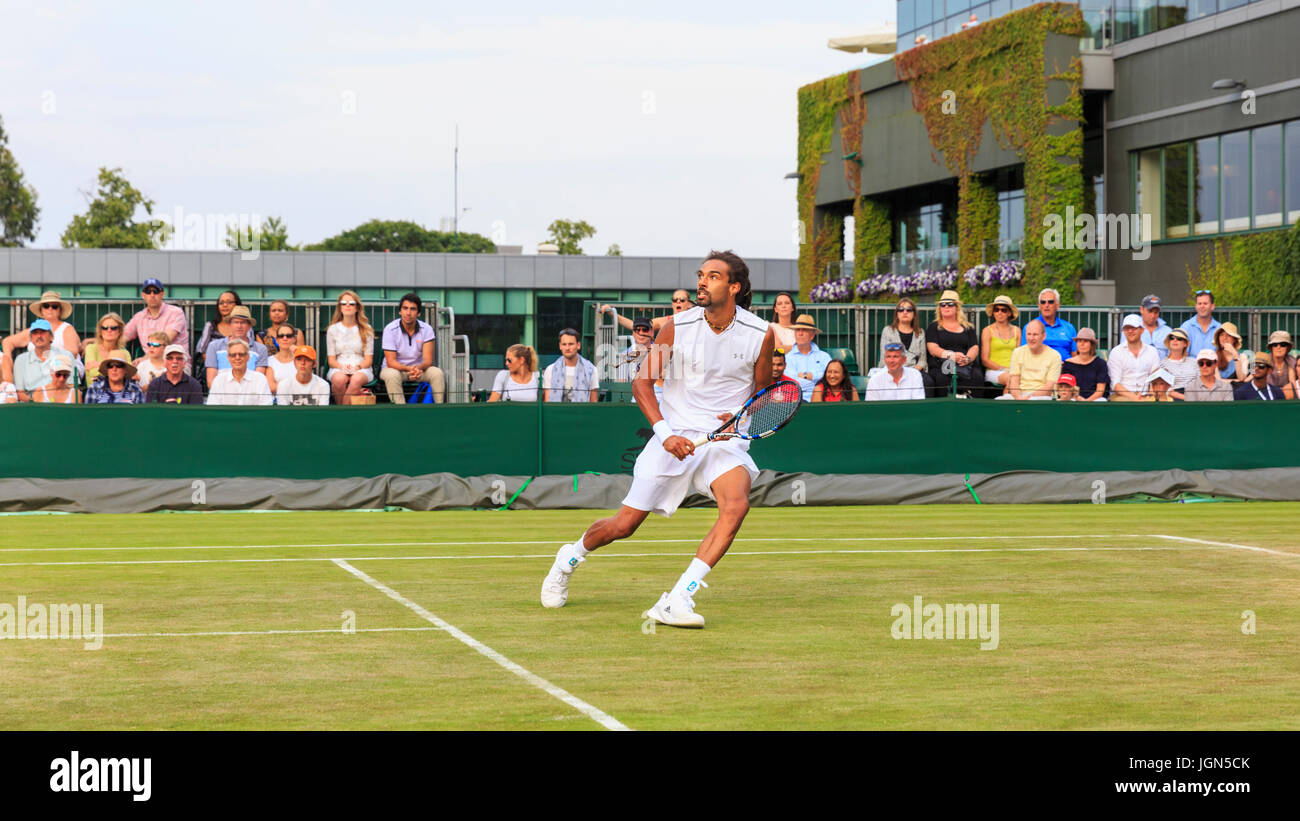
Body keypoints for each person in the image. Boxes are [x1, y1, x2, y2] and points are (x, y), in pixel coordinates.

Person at [540, 249, 775, 629]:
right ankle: (569, 556)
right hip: (674, 434)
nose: (702, 281)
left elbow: (761, 394)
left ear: (734, 287)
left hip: (723, 441)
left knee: (736, 505)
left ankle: (679, 597)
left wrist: (741, 418)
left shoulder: (761, 334)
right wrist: (665, 435)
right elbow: (642, 382)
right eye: (701, 274)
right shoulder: (676, 327)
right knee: (624, 525)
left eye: (713, 276)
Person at [380, 292, 445, 404]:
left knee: (437, 373)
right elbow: (391, 362)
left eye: (413, 309)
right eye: (405, 308)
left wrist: (417, 369)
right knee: (392, 375)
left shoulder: (427, 329)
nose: (408, 313)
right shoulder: (390, 329)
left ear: (419, 313)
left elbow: (428, 360)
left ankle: (439, 410)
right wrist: (409, 369)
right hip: (395, 369)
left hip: (419, 370)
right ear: (400, 311)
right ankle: (402, 412)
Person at [1, 291, 80, 375]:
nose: (50, 309)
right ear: (41, 310)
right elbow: (8, 341)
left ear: (60, 310)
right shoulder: (34, 330)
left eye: (54, 306)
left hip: (62, 369)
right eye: (46, 306)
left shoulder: (67, 328)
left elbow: (73, 352)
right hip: (37, 369)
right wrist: (8, 359)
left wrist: (47, 356)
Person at [924, 290, 981, 397]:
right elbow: (932, 348)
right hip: (941, 364)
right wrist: (951, 356)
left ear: (957, 308)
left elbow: (974, 347)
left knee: (977, 376)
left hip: (965, 364)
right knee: (941, 378)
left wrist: (967, 358)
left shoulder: (968, 327)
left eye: (950, 304)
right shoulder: (933, 327)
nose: (946, 307)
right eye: (942, 305)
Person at [325, 290, 376, 405]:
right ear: (340, 307)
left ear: (357, 307)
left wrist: (357, 367)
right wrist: (341, 367)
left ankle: (342, 413)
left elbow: (368, 360)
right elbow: (331, 360)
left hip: (361, 367)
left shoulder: (366, 329)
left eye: (351, 303)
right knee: (338, 380)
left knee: (356, 379)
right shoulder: (332, 330)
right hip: (339, 366)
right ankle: (344, 410)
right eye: (343, 303)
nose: (347, 306)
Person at [205, 306, 270, 386]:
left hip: (249, 396)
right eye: (236, 322)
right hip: (222, 395)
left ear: (249, 326)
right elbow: (211, 382)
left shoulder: (260, 349)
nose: (239, 326)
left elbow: (258, 382)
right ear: (230, 325)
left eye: (243, 322)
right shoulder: (214, 346)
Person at [123, 278, 188, 355]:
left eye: (156, 291)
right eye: (148, 292)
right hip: (150, 363)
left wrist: (146, 358)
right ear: (143, 295)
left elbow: (164, 340)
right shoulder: (139, 317)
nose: (152, 295)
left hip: (175, 362)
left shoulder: (176, 312)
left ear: (162, 294)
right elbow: (124, 336)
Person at [1004, 319, 1062, 400]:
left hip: (1042, 396)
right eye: (1029, 334)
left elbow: (1049, 386)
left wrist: (1029, 397)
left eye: (1035, 334)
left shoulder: (1055, 355)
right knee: (1000, 400)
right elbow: (1014, 382)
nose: (1031, 338)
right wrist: (1018, 397)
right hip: (1020, 394)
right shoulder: (1017, 352)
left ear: (1043, 336)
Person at [1107, 314, 1160, 401]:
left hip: (1145, 396)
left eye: (1134, 328)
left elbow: (1155, 379)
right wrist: (1135, 398)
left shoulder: (1152, 351)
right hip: (1121, 396)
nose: (1130, 331)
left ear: (1142, 330)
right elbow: (1115, 384)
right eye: (1126, 328)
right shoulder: (1116, 352)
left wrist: (1149, 396)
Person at [207, 339, 273, 405]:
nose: (237, 358)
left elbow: (266, 407)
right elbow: (213, 407)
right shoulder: (219, 380)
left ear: (248, 357)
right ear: (228, 358)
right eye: (233, 355)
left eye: (241, 354)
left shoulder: (260, 379)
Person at [600, 289, 693, 336]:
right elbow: (634, 325)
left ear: (689, 303)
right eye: (675, 299)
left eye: (682, 300)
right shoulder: (664, 321)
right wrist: (613, 314)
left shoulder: (696, 320)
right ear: (672, 303)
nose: (678, 302)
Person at [196, 290, 248, 371]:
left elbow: (250, 349)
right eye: (221, 303)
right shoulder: (210, 326)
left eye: (229, 302)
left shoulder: (245, 326)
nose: (225, 305)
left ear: (237, 305)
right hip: (215, 369)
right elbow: (203, 352)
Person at [542, 328, 600, 402]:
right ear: (560, 346)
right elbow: (548, 401)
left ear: (578, 345)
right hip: (557, 412)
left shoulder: (591, 370)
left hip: (582, 413)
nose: (567, 348)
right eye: (564, 344)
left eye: (571, 344)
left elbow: (593, 401)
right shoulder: (550, 370)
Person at [12, 320, 62, 402]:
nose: (39, 336)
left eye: (43, 332)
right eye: (35, 333)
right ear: (31, 338)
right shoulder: (21, 360)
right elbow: (19, 392)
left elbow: (71, 388)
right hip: (31, 404)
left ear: (51, 337)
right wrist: (36, 402)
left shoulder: (64, 356)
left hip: (58, 403)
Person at [786, 313, 831, 401]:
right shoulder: (787, 358)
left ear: (812, 335)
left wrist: (808, 376)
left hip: (822, 400)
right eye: (798, 330)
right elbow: (791, 382)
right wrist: (815, 381)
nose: (800, 333)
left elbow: (830, 377)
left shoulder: (824, 357)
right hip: (795, 401)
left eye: (805, 330)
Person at [1023, 288, 1076, 360]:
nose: (1046, 305)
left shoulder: (1069, 328)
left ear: (1057, 305)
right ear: (1039, 306)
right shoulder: (1030, 327)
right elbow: (1024, 354)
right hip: (1040, 368)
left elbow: (1075, 355)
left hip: (1065, 368)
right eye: (1043, 302)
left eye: (1050, 302)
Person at [980, 295, 1019, 393]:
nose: (999, 313)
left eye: (1003, 310)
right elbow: (985, 359)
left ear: (1009, 313)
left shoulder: (1016, 331)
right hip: (994, 371)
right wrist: (1004, 369)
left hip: (1014, 371)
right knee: (1012, 380)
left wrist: (1013, 370)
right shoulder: (987, 331)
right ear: (993, 313)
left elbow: (1020, 355)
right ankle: (1004, 406)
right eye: (996, 310)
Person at [879, 297, 927, 376]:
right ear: (897, 314)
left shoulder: (920, 333)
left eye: (909, 310)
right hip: (892, 370)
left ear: (914, 314)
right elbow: (884, 358)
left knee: (928, 382)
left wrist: (912, 372)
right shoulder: (888, 331)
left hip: (914, 371)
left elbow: (922, 361)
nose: (905, 312)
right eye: (901, 310)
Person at [1061, 327, 1108, 401]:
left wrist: (1086, 402)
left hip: (1095, 400)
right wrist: (1077, 398)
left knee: (1102, 400)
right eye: (1079, 341)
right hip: (1074, 398)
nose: (1082, 344)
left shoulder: (1100, 364)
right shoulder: (1068, 364)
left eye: (1085, 341)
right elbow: (1065, 388)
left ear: (1092, 344)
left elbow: (1100, 391)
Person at [83, 312, 132, 384]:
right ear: (100, 331)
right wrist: (118, 370)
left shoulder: (124, 353)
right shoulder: (91, 348)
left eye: (113, 328)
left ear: (119, 331)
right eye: (104, 328)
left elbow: (130, 375)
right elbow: (92, 372)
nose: (109, 330)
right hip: (95, 392)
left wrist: (98, 364)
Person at [1179, 289, 1222, 356]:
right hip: (1190, 365)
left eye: (1205, 303)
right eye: (1199, 303)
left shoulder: (1220, 329)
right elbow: (1182, 355)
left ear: (1212, 306)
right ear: (1196, 306)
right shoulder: (1186, 327)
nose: (1202, 306)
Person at [614, 316, 654, 382]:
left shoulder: (661, 352)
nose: (641, 333)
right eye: (637, 330)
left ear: (652, 332)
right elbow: (622, 383)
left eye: (645, 329)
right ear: (633, 333)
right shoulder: (625, 355)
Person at [1156, 329, 1196, 394]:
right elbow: (1162, 389)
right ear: (1169, 342)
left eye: (1179, 338)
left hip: (1195, 398)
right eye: (1172, 338)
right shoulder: (1162, 364)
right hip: (1172, 400)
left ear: (1185, 344)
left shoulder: (1194, 362)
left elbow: (1201, 384)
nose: (1175, 340)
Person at [263, 324, 300, 395]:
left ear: (294, 339)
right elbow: (271, 387)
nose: (285, 338)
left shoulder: (301, 360)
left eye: (288, 336)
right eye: (281, 336)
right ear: (276, 340)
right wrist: (295, 386)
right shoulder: (270, 361)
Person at [1138, 294, 1171, 359]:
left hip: (1163, 367)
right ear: (1141, 310)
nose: (1153, 316)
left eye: (1156, 312)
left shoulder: (1168, 331)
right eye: (1150, 311)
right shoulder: (1132, 329)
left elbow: (1171, 356)